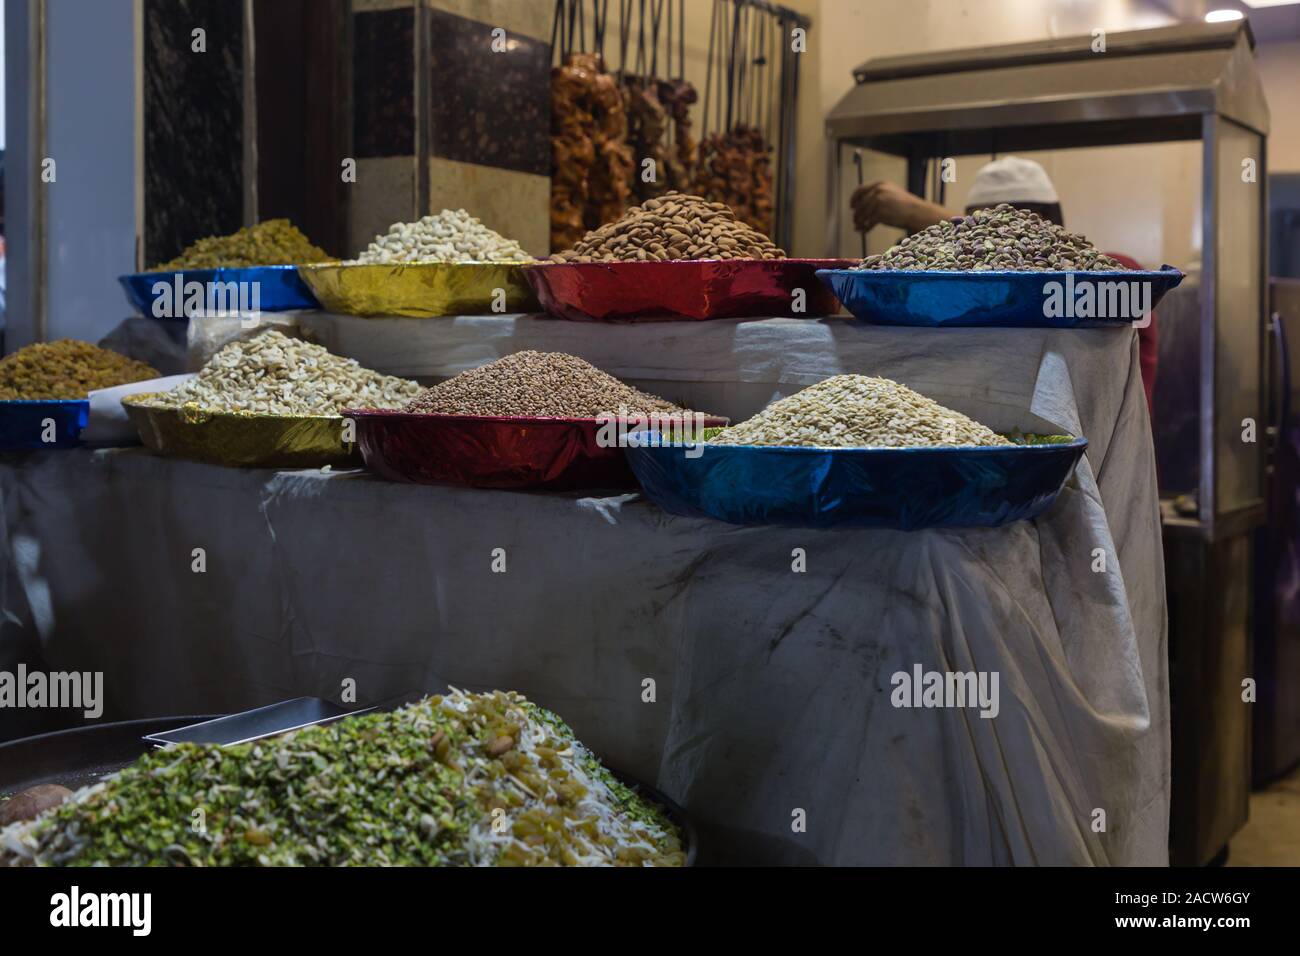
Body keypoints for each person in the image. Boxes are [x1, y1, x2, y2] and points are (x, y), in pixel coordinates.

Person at [851, 156, 1158, 412]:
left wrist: (924, 214)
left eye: (998, 226)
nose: (980, 248)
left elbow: (1123, 299)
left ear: (1043, 223)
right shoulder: (975, 300)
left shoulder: (1120, 276)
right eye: (970, 235)